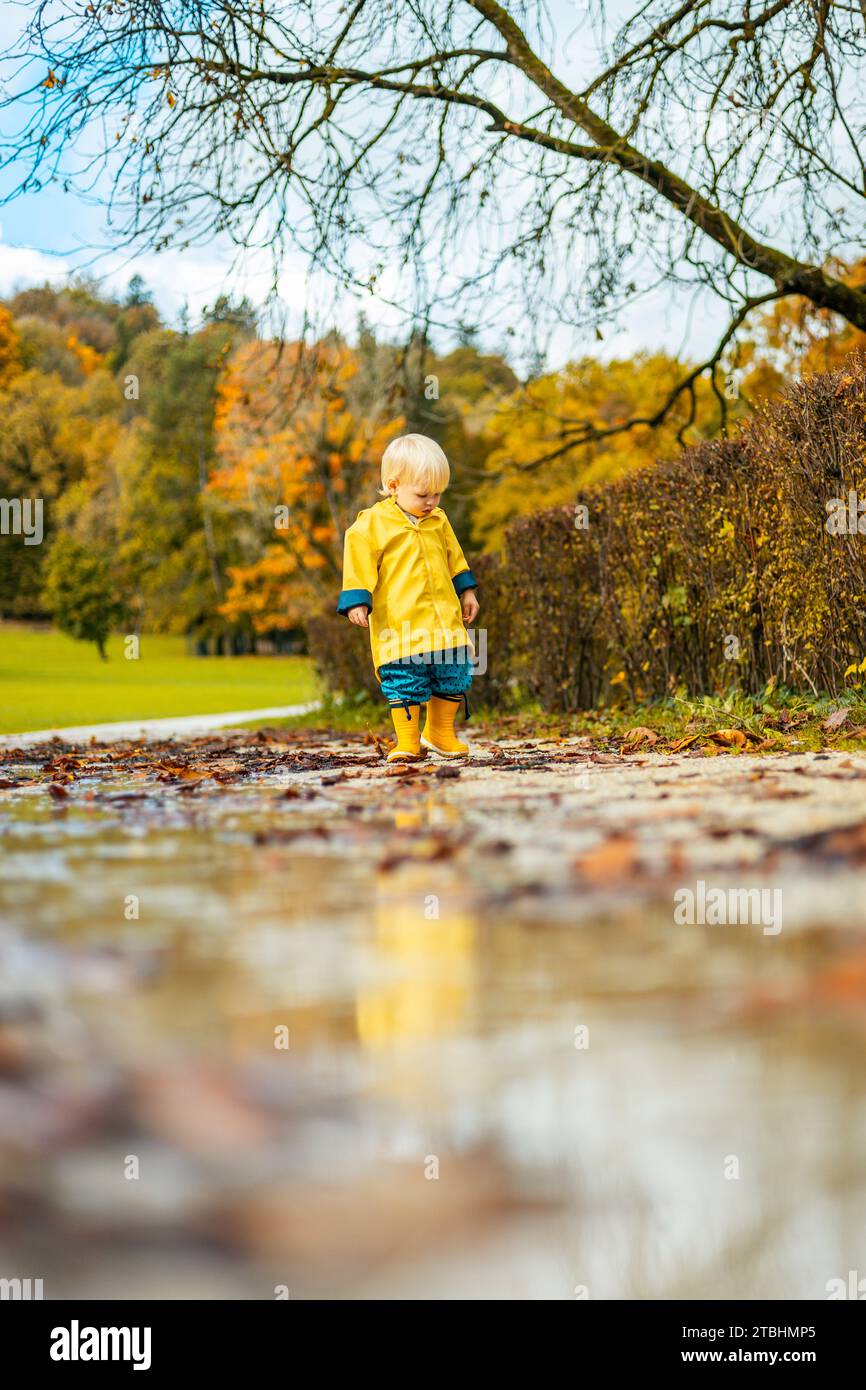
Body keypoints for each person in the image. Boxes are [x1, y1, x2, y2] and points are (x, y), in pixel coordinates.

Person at [337, 433, 479, 762]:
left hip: (443, 622)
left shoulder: (439, 520)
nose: (432, 501)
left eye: (438, 494)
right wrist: (357, 598)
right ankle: (408, 741)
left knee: (454, 669)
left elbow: (455, 558)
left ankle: (440, 732)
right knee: (405, 677)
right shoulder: (371, 525)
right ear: (394, 485)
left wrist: (467, 591)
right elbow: (358, 560)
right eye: (423, 494)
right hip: (399, 624)